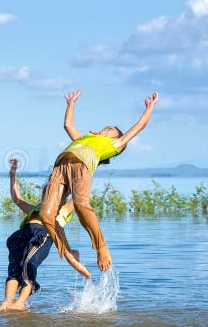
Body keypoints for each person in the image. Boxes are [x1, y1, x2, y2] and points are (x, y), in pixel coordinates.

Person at [39, 90, 159, 278]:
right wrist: (71, 104)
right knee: (45, 214)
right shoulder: (84, 139)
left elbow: (140, 125)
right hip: (60, 167)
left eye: (110, 129)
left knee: (81, 204)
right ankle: (69, 254)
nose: (106, 128)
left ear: (115, 139)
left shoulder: (114, 145)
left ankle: (101, 248)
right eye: (105, 127)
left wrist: (149, 107)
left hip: (82, 166)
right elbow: (68, 125)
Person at [0, 158, 75, 312]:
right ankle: (8, 300)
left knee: (28, 266)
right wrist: (12, 175)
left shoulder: (63, 210)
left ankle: (20, 303)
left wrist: (77, 175)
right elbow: (17, 199)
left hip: (42, 235)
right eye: (46, 192)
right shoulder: (34, 209)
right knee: (14, 269)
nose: (48, 195)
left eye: (52, 193)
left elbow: (79, 197)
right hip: (22, 236)